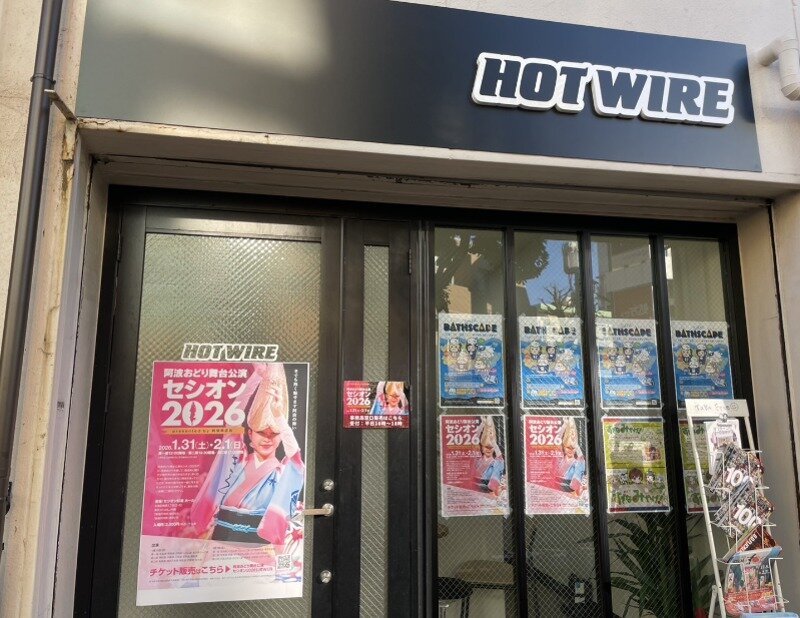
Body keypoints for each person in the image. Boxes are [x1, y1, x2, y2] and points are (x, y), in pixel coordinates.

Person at [191, 363, 304, 545]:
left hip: (257, 545)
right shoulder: (238, 459)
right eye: (261, 432)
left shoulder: (282, 471)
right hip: (220, 538)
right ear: (250, 433)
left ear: (282, 436)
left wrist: (280, 418)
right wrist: (256, 378)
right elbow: (232, 420)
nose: (267, 439)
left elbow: (295, 457)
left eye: (274, 434)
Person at [471, 416, 505, 497]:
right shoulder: (478, 458)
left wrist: (493, 442)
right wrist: (482, 425)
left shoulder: (496, 463)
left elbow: (500, 458)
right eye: (486, 447)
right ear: (482, 448)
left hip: (487, 488)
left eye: (491, 447)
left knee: (498, 463)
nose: (488, 449)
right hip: (474, 486)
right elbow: (474, 442)